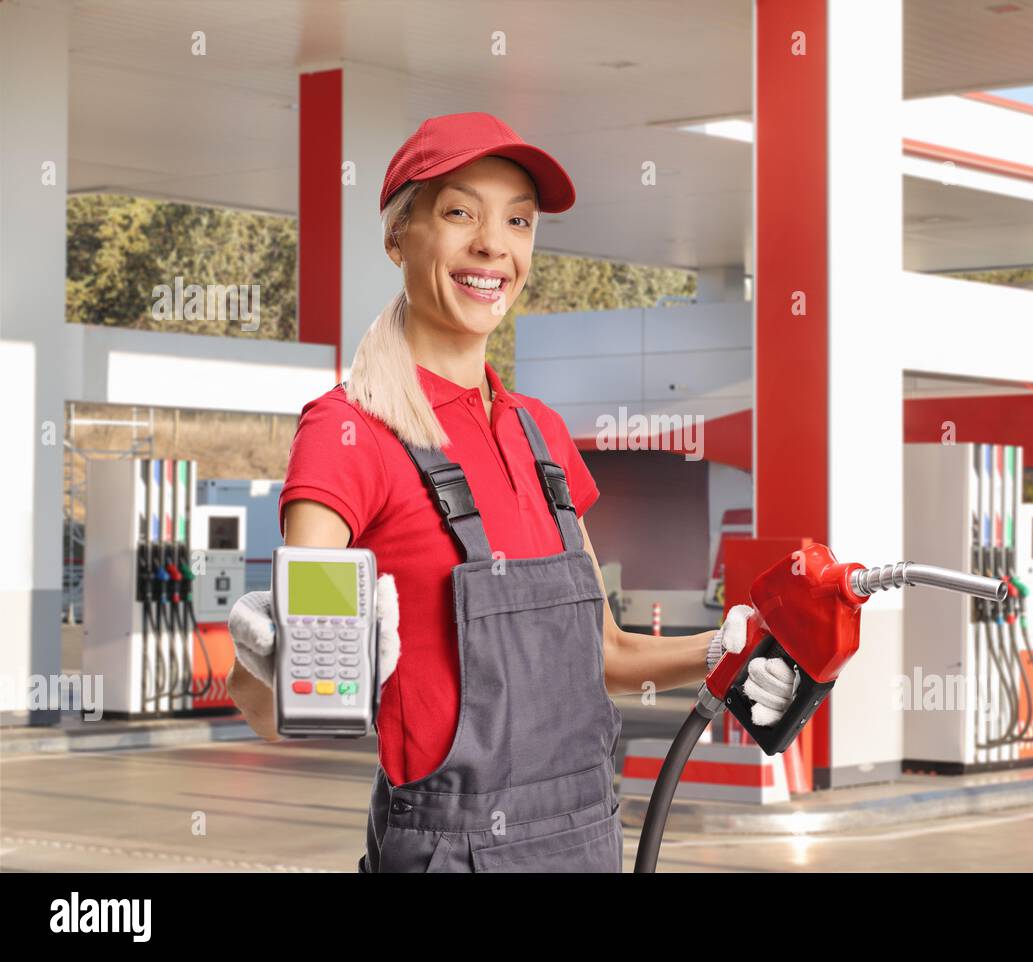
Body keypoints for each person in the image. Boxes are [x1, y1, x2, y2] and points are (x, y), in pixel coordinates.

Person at [226, 112, 795, 872]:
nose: (494, 243)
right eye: (461, 212)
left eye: (518, 220)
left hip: (588, 837)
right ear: (399, 236)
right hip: (450, 853)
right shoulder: (348, 432)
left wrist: (730, 648)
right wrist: (271, 665)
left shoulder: (541, 434)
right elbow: (281, 705)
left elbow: (607, 654)